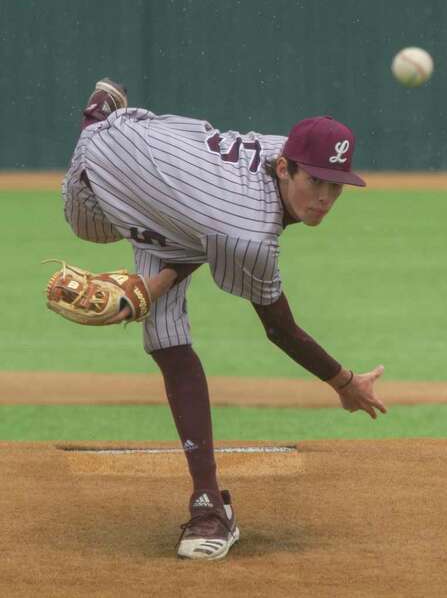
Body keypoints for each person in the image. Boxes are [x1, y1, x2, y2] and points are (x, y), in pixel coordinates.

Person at [52, 83, 387, 561]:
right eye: (314, 181)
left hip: (169, 155)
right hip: (102, 178)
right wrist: (344, 382)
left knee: (166, 338)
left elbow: (208, 237)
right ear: (283, 167)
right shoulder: (247, 231)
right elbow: (279, 328)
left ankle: (207, 503)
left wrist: (156, 285)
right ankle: (96, 115)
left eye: (335, 184)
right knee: (90, 229)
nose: (326, 197)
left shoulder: (280, 151)